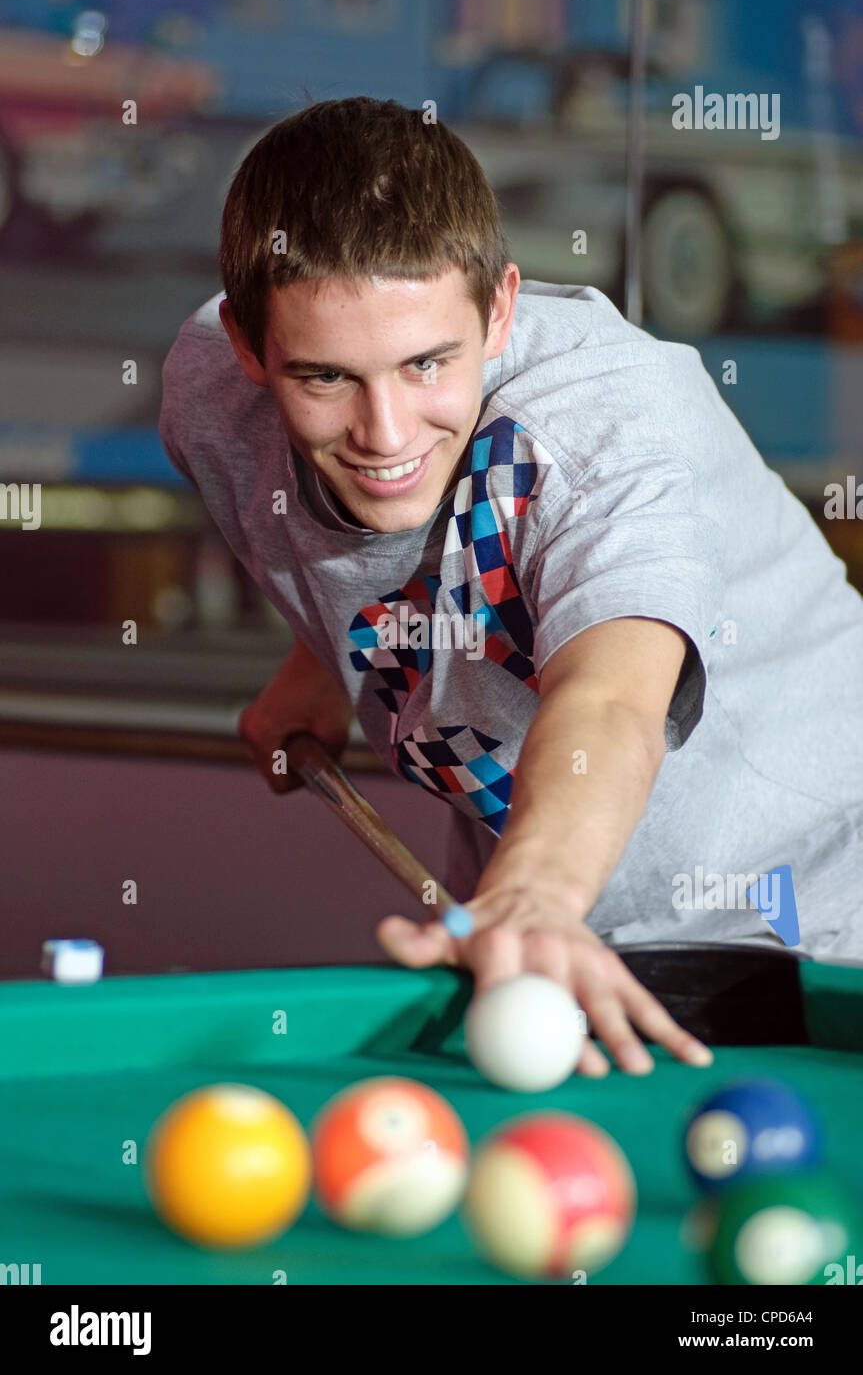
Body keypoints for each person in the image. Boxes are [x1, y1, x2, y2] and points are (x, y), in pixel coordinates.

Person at [159, 97, 863, 1077]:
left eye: (426, 364)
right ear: (247, 347)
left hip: (814, 934)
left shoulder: (608, 428)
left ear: (498, 309)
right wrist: (319, 665)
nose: (386, 432)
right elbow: (381, 550)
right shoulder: (209, 403)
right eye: (325, 378)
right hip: (536, 949)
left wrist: (531, 890)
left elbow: (610, 696)